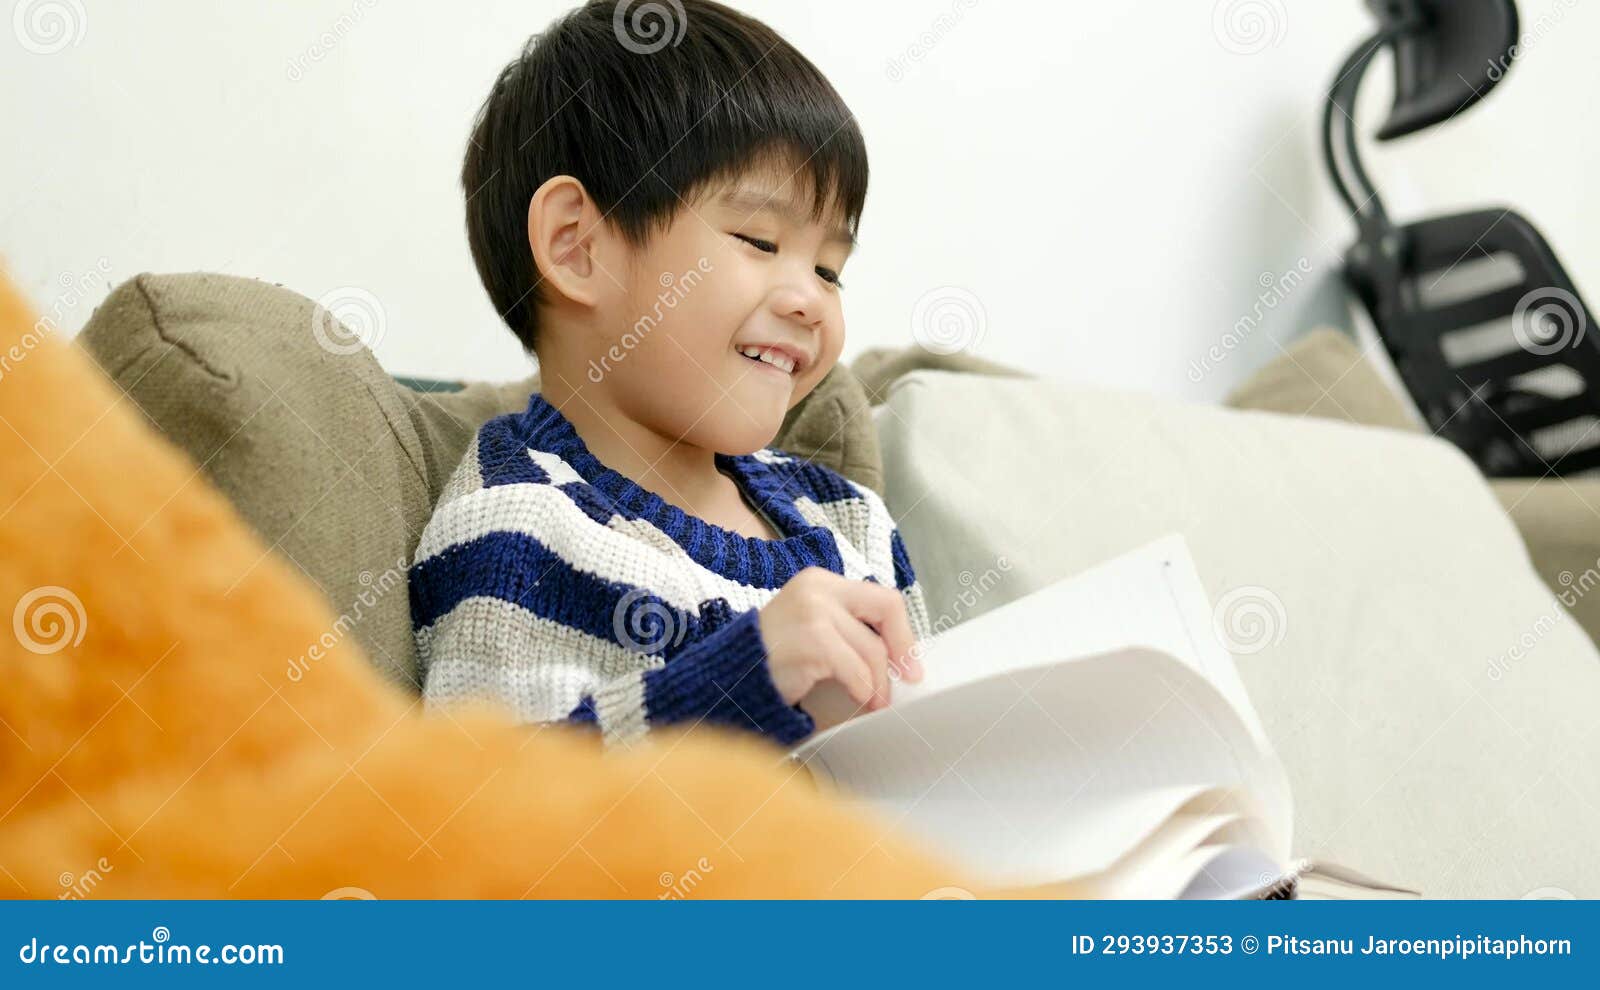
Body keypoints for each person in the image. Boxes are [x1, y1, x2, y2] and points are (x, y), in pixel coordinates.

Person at [409, 0, 932, 748]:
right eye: (759, 239)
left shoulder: (853, 524)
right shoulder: (527, 524)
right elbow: (493, 814)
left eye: (829, 270)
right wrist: (740, 683)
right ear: (576, 247)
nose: (811, 300)